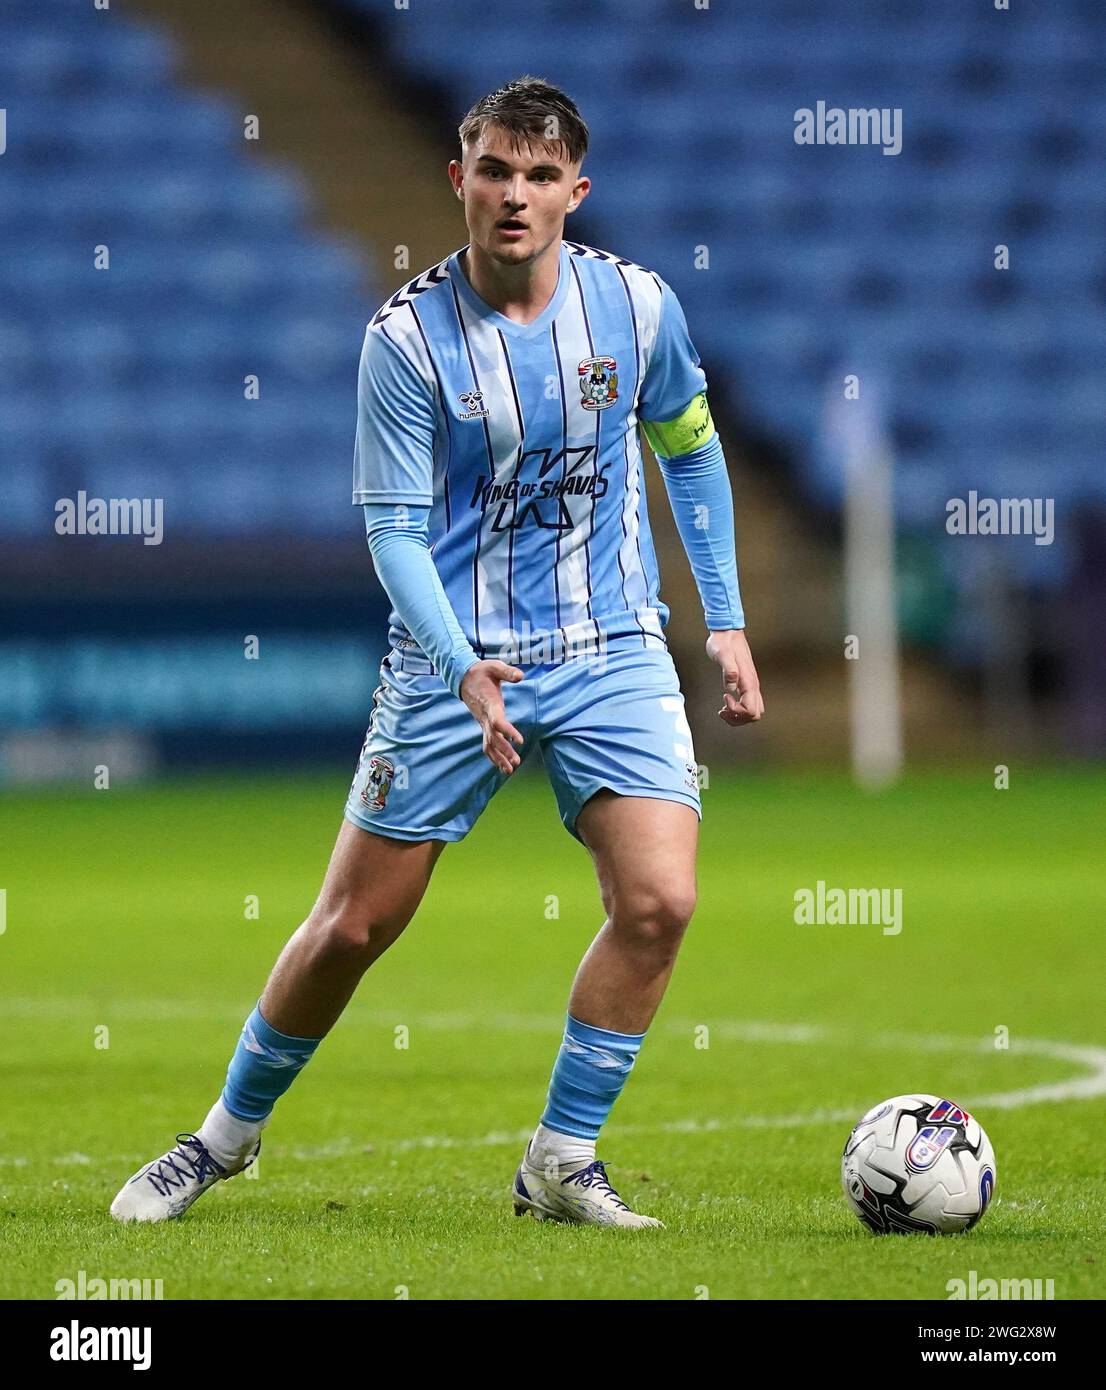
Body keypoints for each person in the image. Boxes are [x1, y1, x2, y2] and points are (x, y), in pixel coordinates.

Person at [110, 75, 763, 1230]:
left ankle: (560, 1159)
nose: (517, 196)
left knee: (659, 899)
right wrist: (461, 663)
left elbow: (690, 449)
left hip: (610, 640)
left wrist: (723, 618)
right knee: (354, 925)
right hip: (451, 660)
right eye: (496, 171)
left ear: (576, 190)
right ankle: (222, 1138)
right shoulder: (407, 342)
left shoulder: (637, 310)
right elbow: (394, 532)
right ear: (458, 179)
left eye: (541, 175)